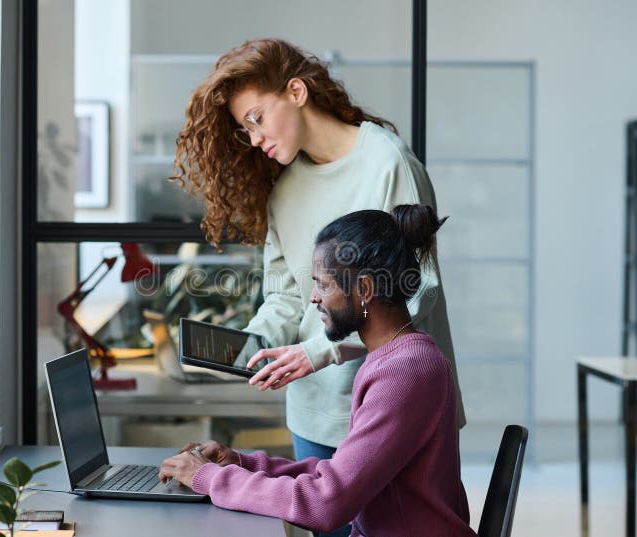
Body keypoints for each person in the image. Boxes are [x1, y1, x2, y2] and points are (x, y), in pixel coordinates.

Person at [172, 38, 464, 536]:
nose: (254, 137)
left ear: (296, 91)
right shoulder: (284, 187)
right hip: (316, 409)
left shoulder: (387, 162)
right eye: (245, 129)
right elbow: (285, 292)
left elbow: (414, 291)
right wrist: (257, 346)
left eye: (257, 117)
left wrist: (319, 352)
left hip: (391, 400)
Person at [159, 205, 476, 537]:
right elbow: (336, 475)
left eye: (322, 285)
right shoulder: (397, 358)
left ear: (364, 289)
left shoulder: (405, 374)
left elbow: (326, 504)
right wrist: (241, 463)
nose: (312, 298)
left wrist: (207, 477)